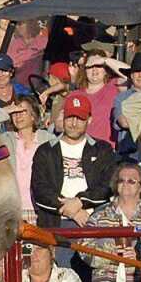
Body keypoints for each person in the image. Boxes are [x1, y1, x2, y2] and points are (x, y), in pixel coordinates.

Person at [29, 92, 117, 267]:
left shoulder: (103, 150)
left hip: (93, 221)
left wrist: (80, 201)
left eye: (80, 118)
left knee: (95, 277)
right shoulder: (46, 151)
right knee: (64, 277)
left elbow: (108, 184)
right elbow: (39, 190)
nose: (74, 123)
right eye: (70, 117)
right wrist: (71, 210)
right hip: (58, 223)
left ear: (89, 119)